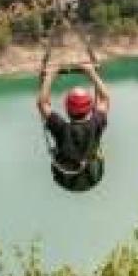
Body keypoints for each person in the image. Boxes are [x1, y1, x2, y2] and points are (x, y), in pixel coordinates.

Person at [36, 62, 111, 192]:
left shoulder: (60, 128)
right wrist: (91, 72)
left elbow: (42, 103)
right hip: (93, 177)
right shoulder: (96, 123)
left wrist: (50, 76)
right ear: (90, 108)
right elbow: (105, 98)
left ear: (67, 109)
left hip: (65, 179)